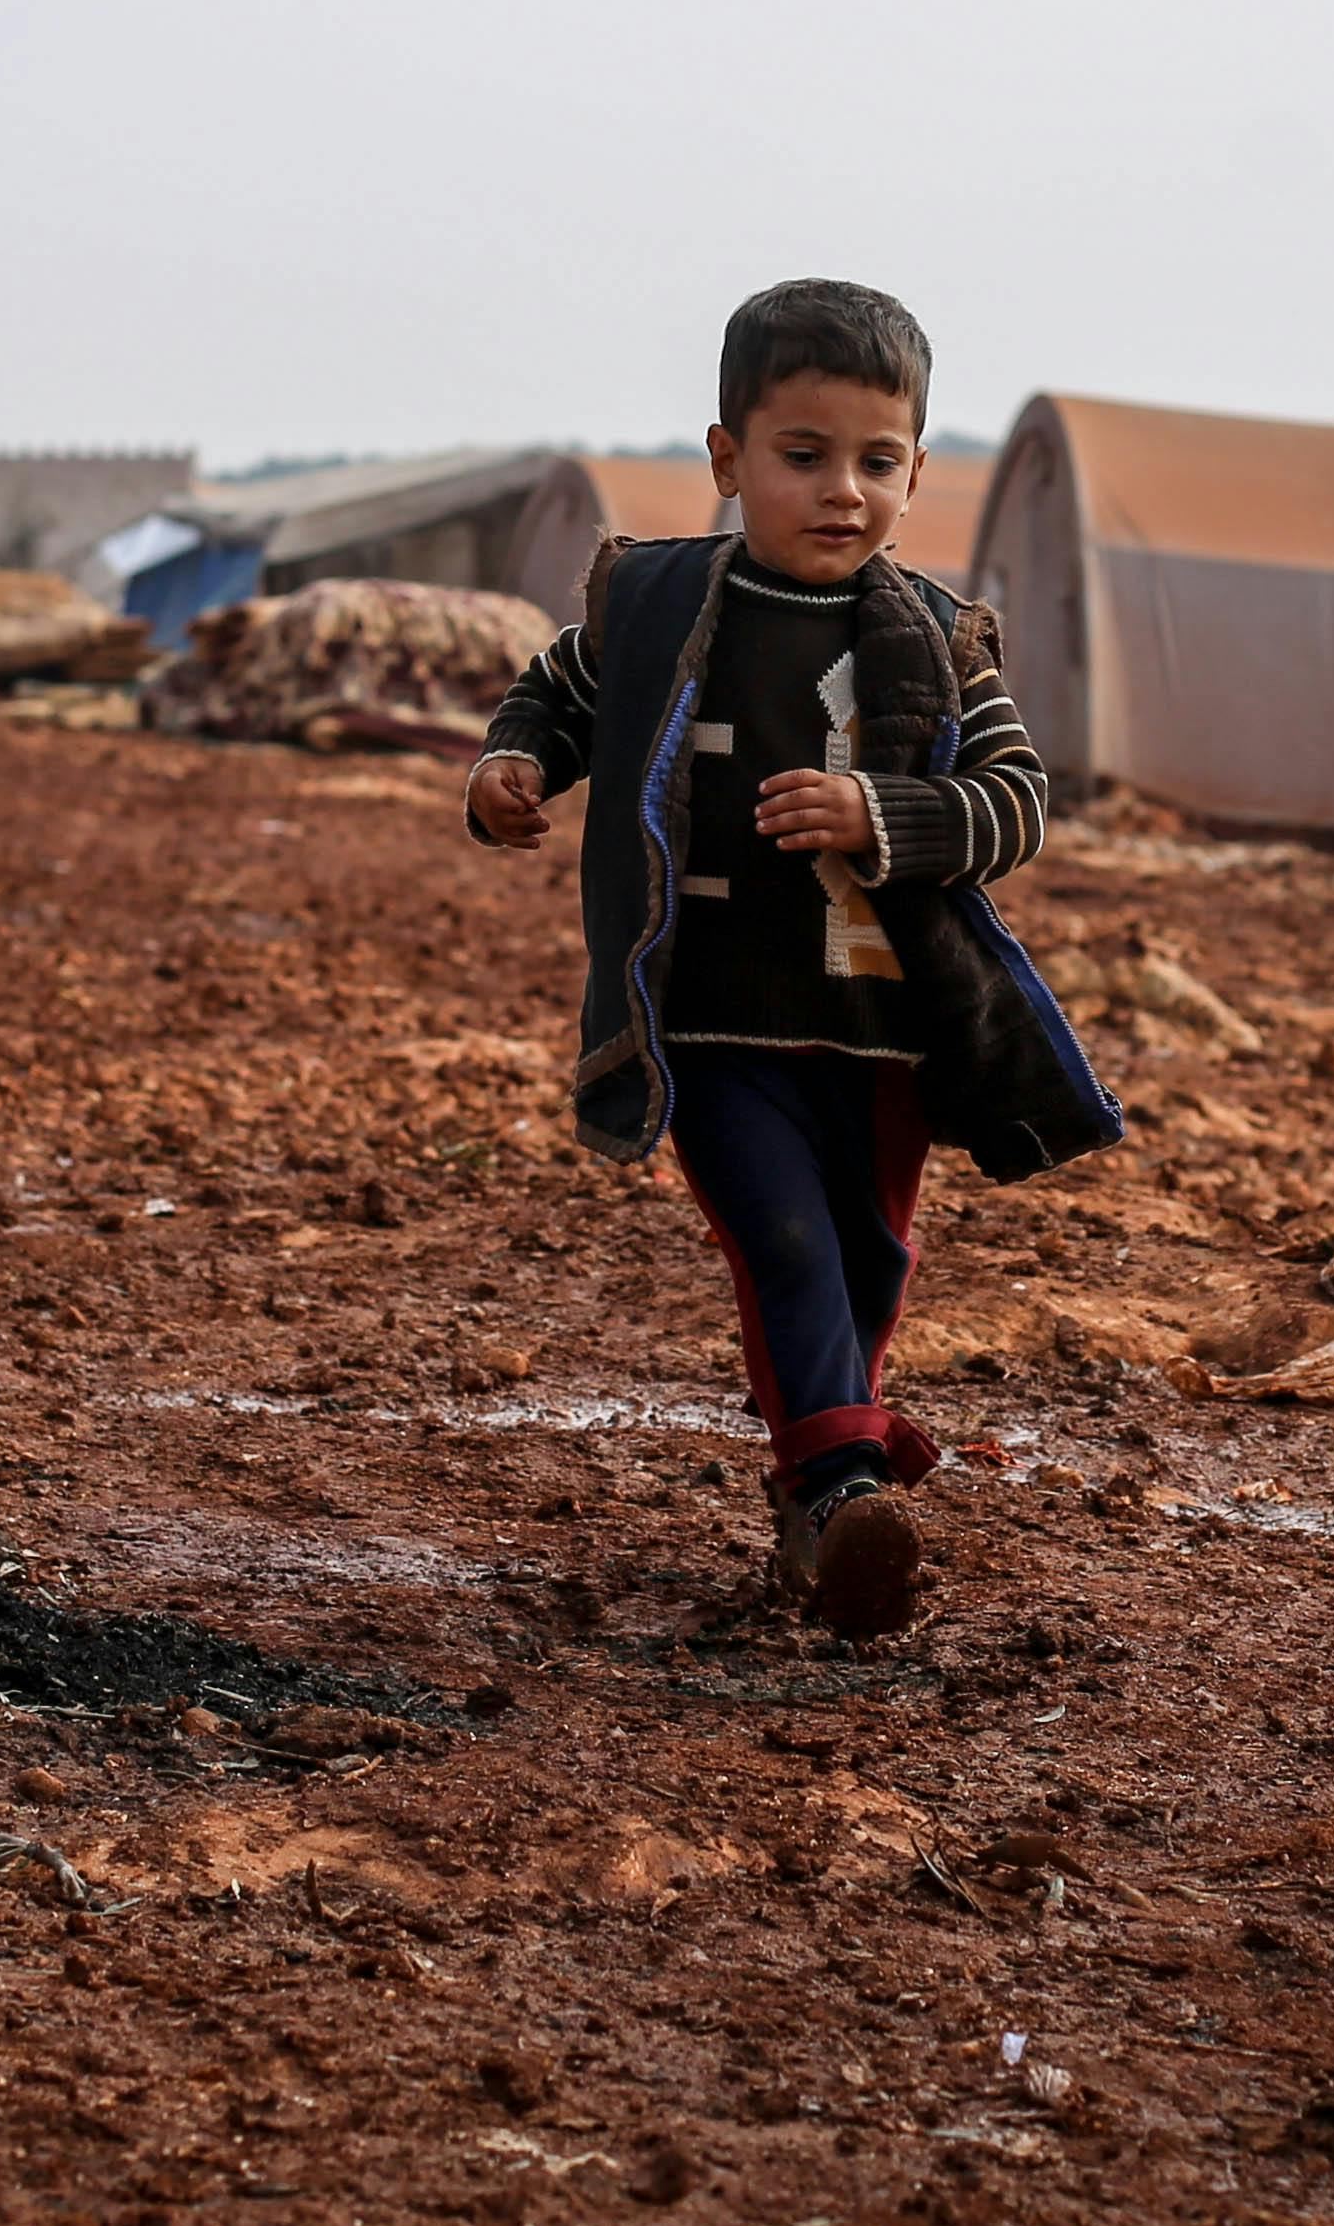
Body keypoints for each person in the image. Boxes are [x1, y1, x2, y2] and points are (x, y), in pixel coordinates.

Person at [464, 280, 1123, 1637]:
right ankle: (837, 1486)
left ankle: (817, 1491)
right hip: (712, 1025)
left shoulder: (940, 637)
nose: (844, 491)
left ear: (918, 471)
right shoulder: (659, 606)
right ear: (727, 458)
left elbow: (1018, 803)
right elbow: (558, 690)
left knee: (869, 1263)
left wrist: (886, 816)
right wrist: (514, 763)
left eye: (879, 463)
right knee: (782, 1243)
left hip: (883, 1035)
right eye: (803, 456)